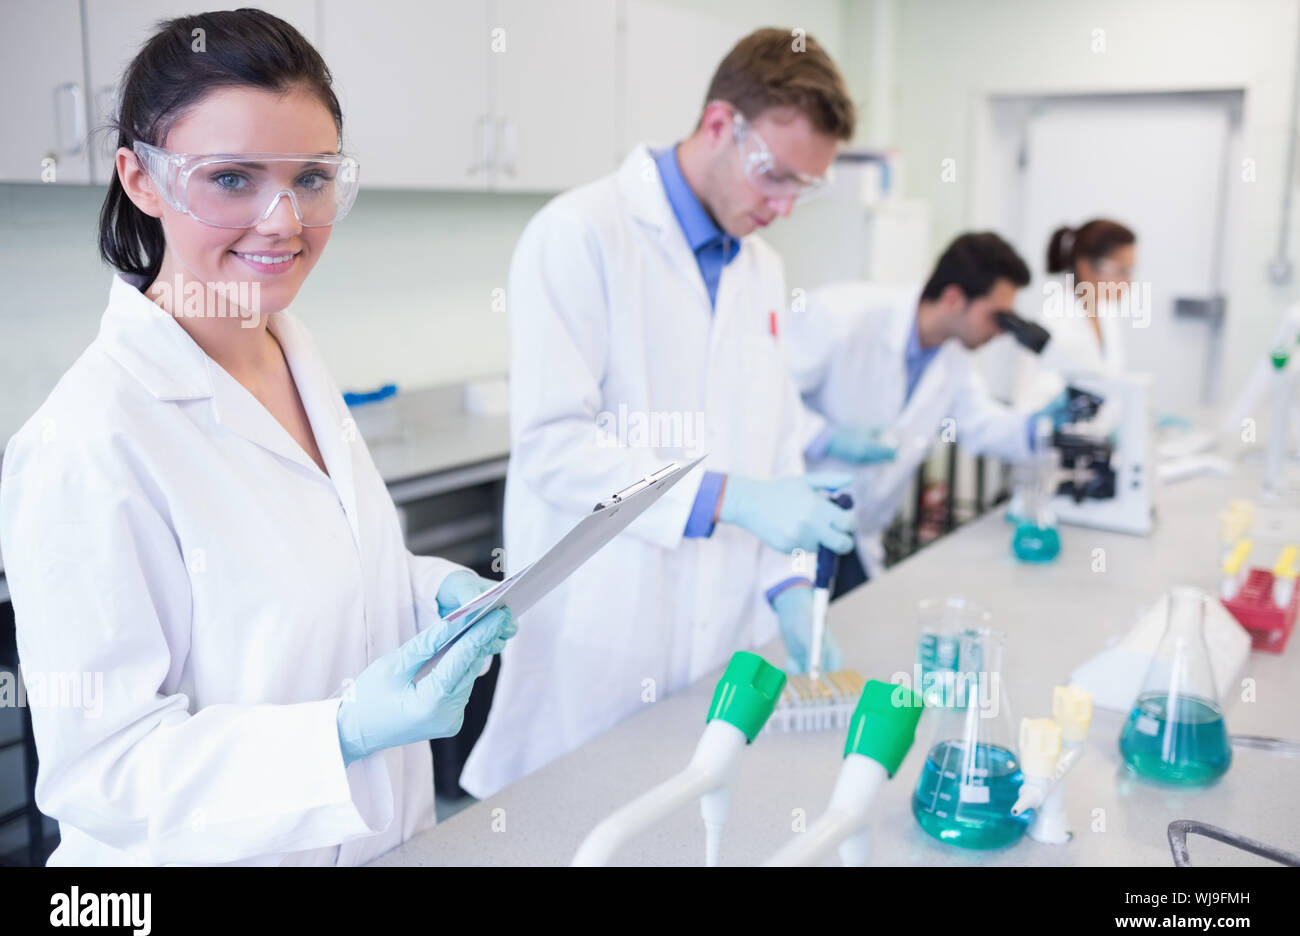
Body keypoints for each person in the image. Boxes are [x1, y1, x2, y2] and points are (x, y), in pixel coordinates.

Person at [0, 9, 515, 866]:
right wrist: (341, 735)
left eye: (312, 177)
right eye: (232, 177)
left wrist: (422, 593)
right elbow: (106, 772)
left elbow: (305, 587)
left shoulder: (289, 352)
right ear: (140, 179)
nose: (283, 221)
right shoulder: (87, 439)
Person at [460, 29, 857, 798]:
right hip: (604, 641)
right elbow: (554, 447)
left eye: (804, 188)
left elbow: (775, 451)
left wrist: (791, 591)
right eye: (775, 175)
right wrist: (728, 498)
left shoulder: (762, 267)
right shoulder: (580, 235)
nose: (782, 206)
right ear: (719, 125)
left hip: (722, 642)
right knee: (580, 826)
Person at [785, 232, 1070, 589]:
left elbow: (978, 424)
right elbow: (763, 400)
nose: (1000, 332)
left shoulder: (953, 358)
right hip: (792, 524)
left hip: (858, 533)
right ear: (953, 299)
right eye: (997, 317)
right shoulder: (841, 314)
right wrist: (824, 438)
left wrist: (1039, 426)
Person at [1010, 219, 1138, 411]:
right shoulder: (1052, 323)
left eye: (1130, 271)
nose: (1129, 282)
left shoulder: (1106, 314)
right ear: (1085, 267)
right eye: (1121, 271)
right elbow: (1030, 405)